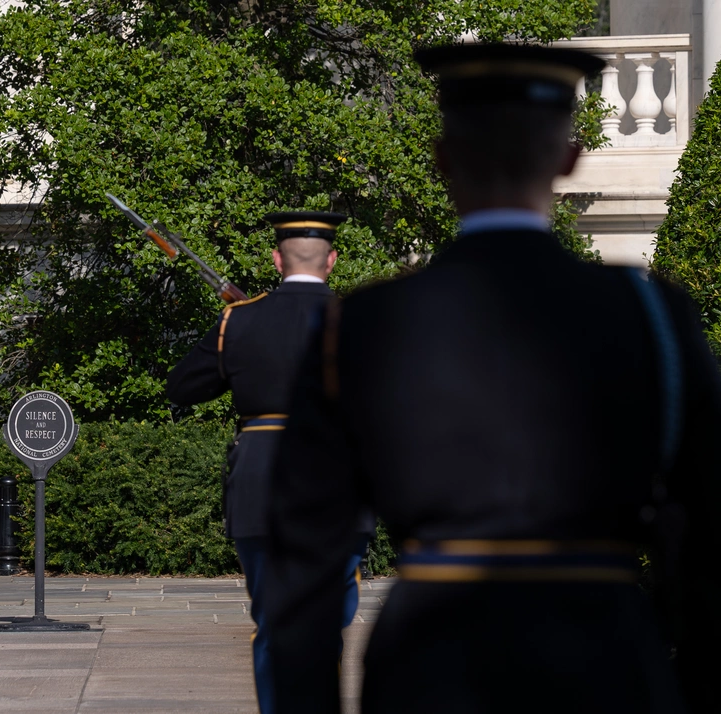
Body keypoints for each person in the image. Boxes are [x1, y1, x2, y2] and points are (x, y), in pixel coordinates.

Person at [264, 43, 721, 713]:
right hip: (606, 662)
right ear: (567, 160)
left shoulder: (360, 323)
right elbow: (708, 535)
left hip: (430, 664)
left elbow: (303, 569)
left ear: (442, 159)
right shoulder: (650, 312)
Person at [166, 214, 373, 714]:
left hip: (259, 481)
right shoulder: (365, 321)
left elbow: (181, 387)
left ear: (277, 260)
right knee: (326, 620)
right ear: (332, 260)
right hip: (338, 486)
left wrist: (238, 338)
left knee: (275, 619)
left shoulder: (240, 319)